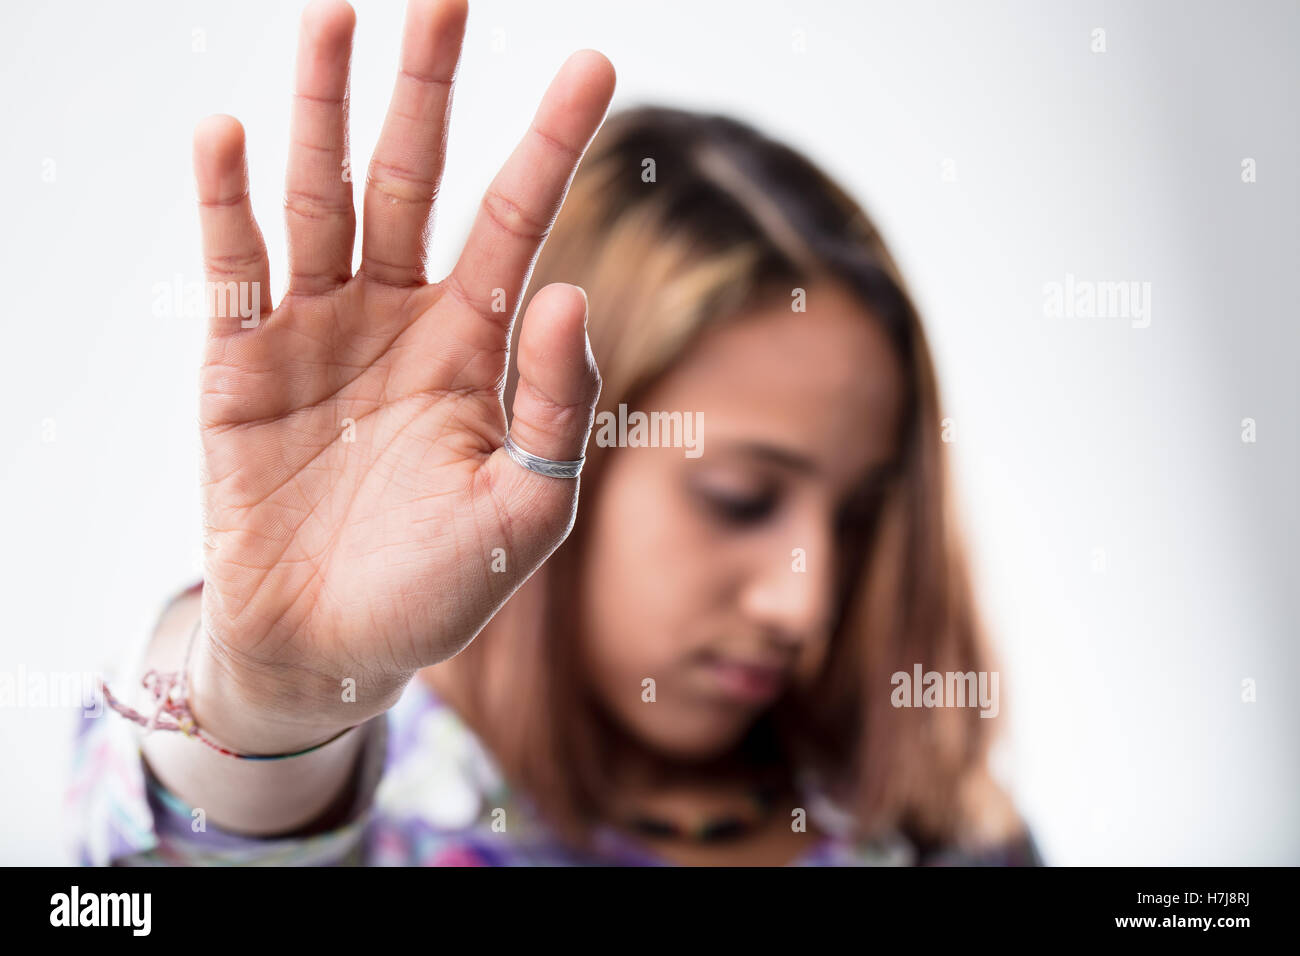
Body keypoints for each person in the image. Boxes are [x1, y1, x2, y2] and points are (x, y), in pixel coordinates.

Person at [68, 0, 1041, 867]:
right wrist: (276, 701)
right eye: (740, 497)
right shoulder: (387, 801)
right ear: (561, 427)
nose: (805, 600)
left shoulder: (938, 829)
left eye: (861, 514)